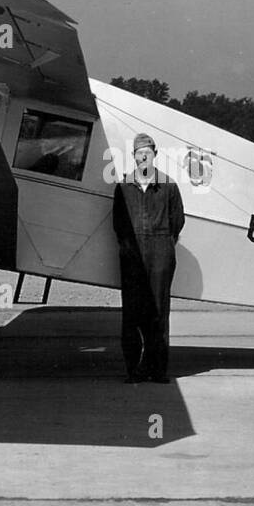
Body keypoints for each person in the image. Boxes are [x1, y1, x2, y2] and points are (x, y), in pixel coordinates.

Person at [112, 133, 184, 383]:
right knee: (131, 313)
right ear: (133, 157)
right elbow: (119, 225)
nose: (144, 156)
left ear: (155, 154)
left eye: (148, 152)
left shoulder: (169, 186)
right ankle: (133, 370)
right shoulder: (123, 187)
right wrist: (131, 249)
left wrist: (160, 243)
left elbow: (177, 222)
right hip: (132, 255)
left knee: (158, 313)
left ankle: (157, 370)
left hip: (160, 253)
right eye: (138, 153)